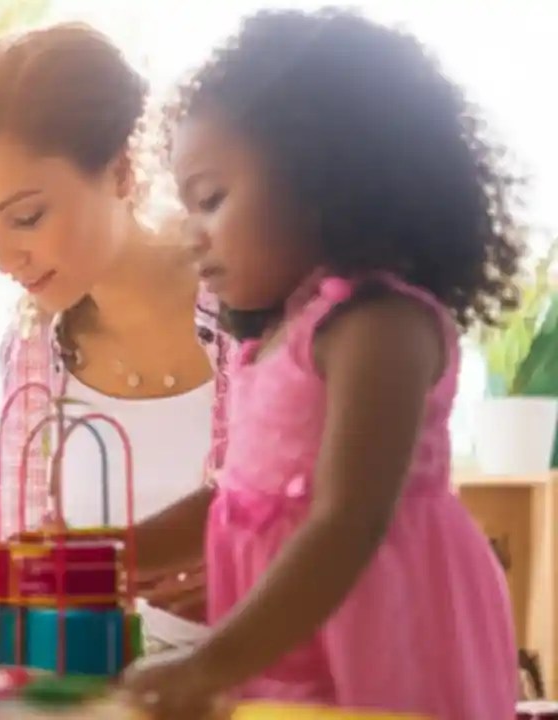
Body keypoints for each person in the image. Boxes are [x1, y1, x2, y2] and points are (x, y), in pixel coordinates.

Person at [123, 9, 520, 718]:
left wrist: (210, 664)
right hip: (284, 663)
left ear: (326, 175)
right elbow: (242, 497)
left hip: (388, 664)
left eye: (211, 198)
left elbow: (348, 520)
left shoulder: (378, 324)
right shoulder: (269, 342)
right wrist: (107, 555)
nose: (193, 233)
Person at [0, 22, 232, 650]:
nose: (1, 254)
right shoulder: (34, 348)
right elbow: (18, 544)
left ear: (122, 170)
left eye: (26, 217)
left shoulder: (255, 307)